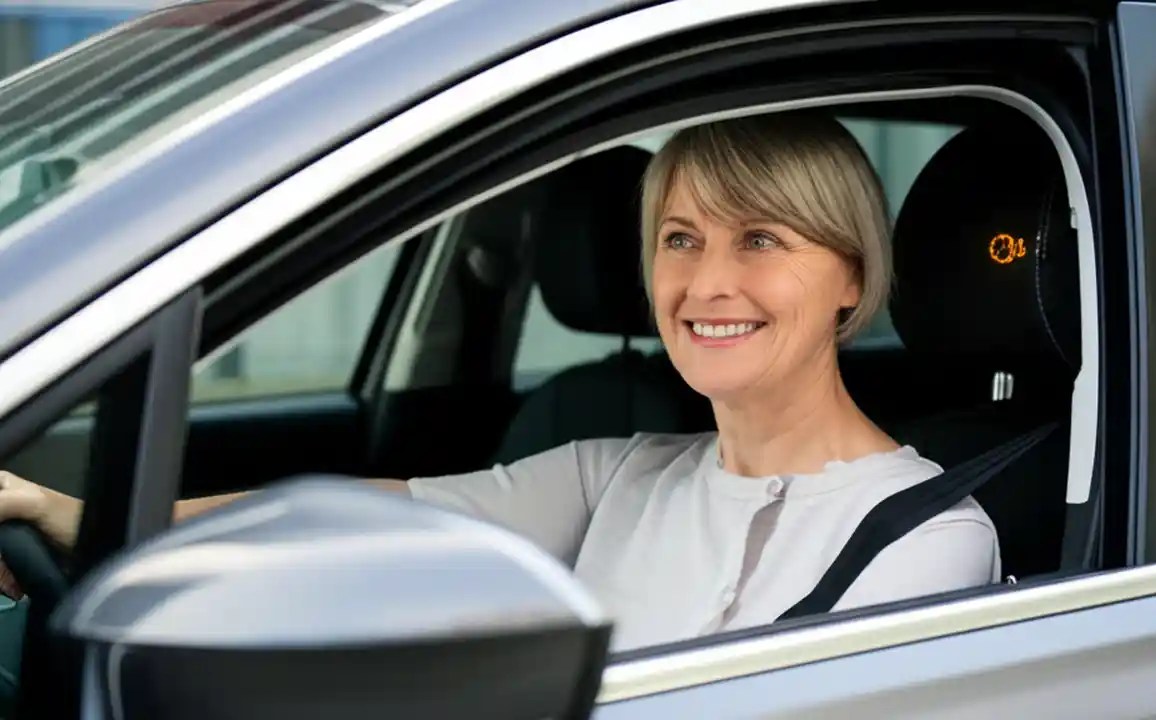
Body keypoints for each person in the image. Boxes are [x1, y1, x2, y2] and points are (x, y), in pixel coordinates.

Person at [0, 112, 999, 651]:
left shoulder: (927, 535)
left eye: (759, 239)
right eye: (678, 239)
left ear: (851, 280)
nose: (705, 283)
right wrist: (75, 516)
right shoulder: (622, 473)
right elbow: (357, 519)